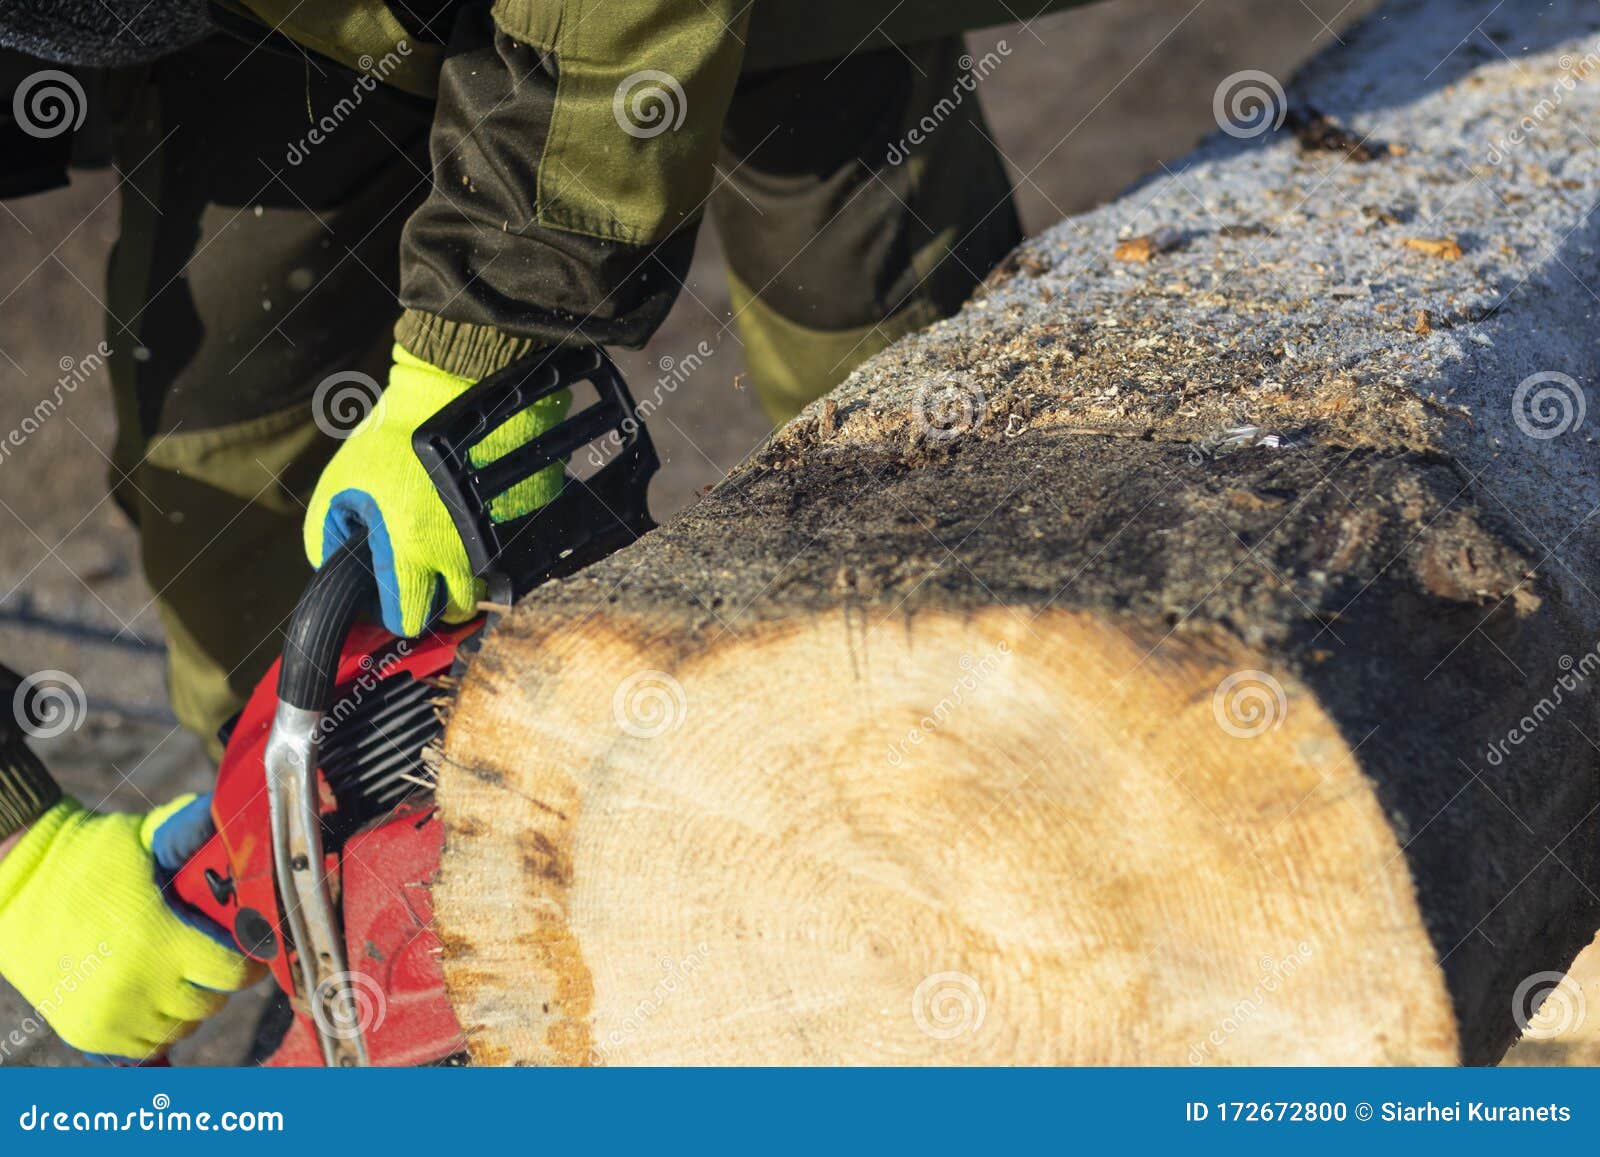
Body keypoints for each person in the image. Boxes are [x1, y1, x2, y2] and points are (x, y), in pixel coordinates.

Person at [0, 0, 1067, 1061]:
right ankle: (349, 900)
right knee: (225, 420)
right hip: (277, 36)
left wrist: (482, 341)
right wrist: (20, 854)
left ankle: (967, 834)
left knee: (887, 379)